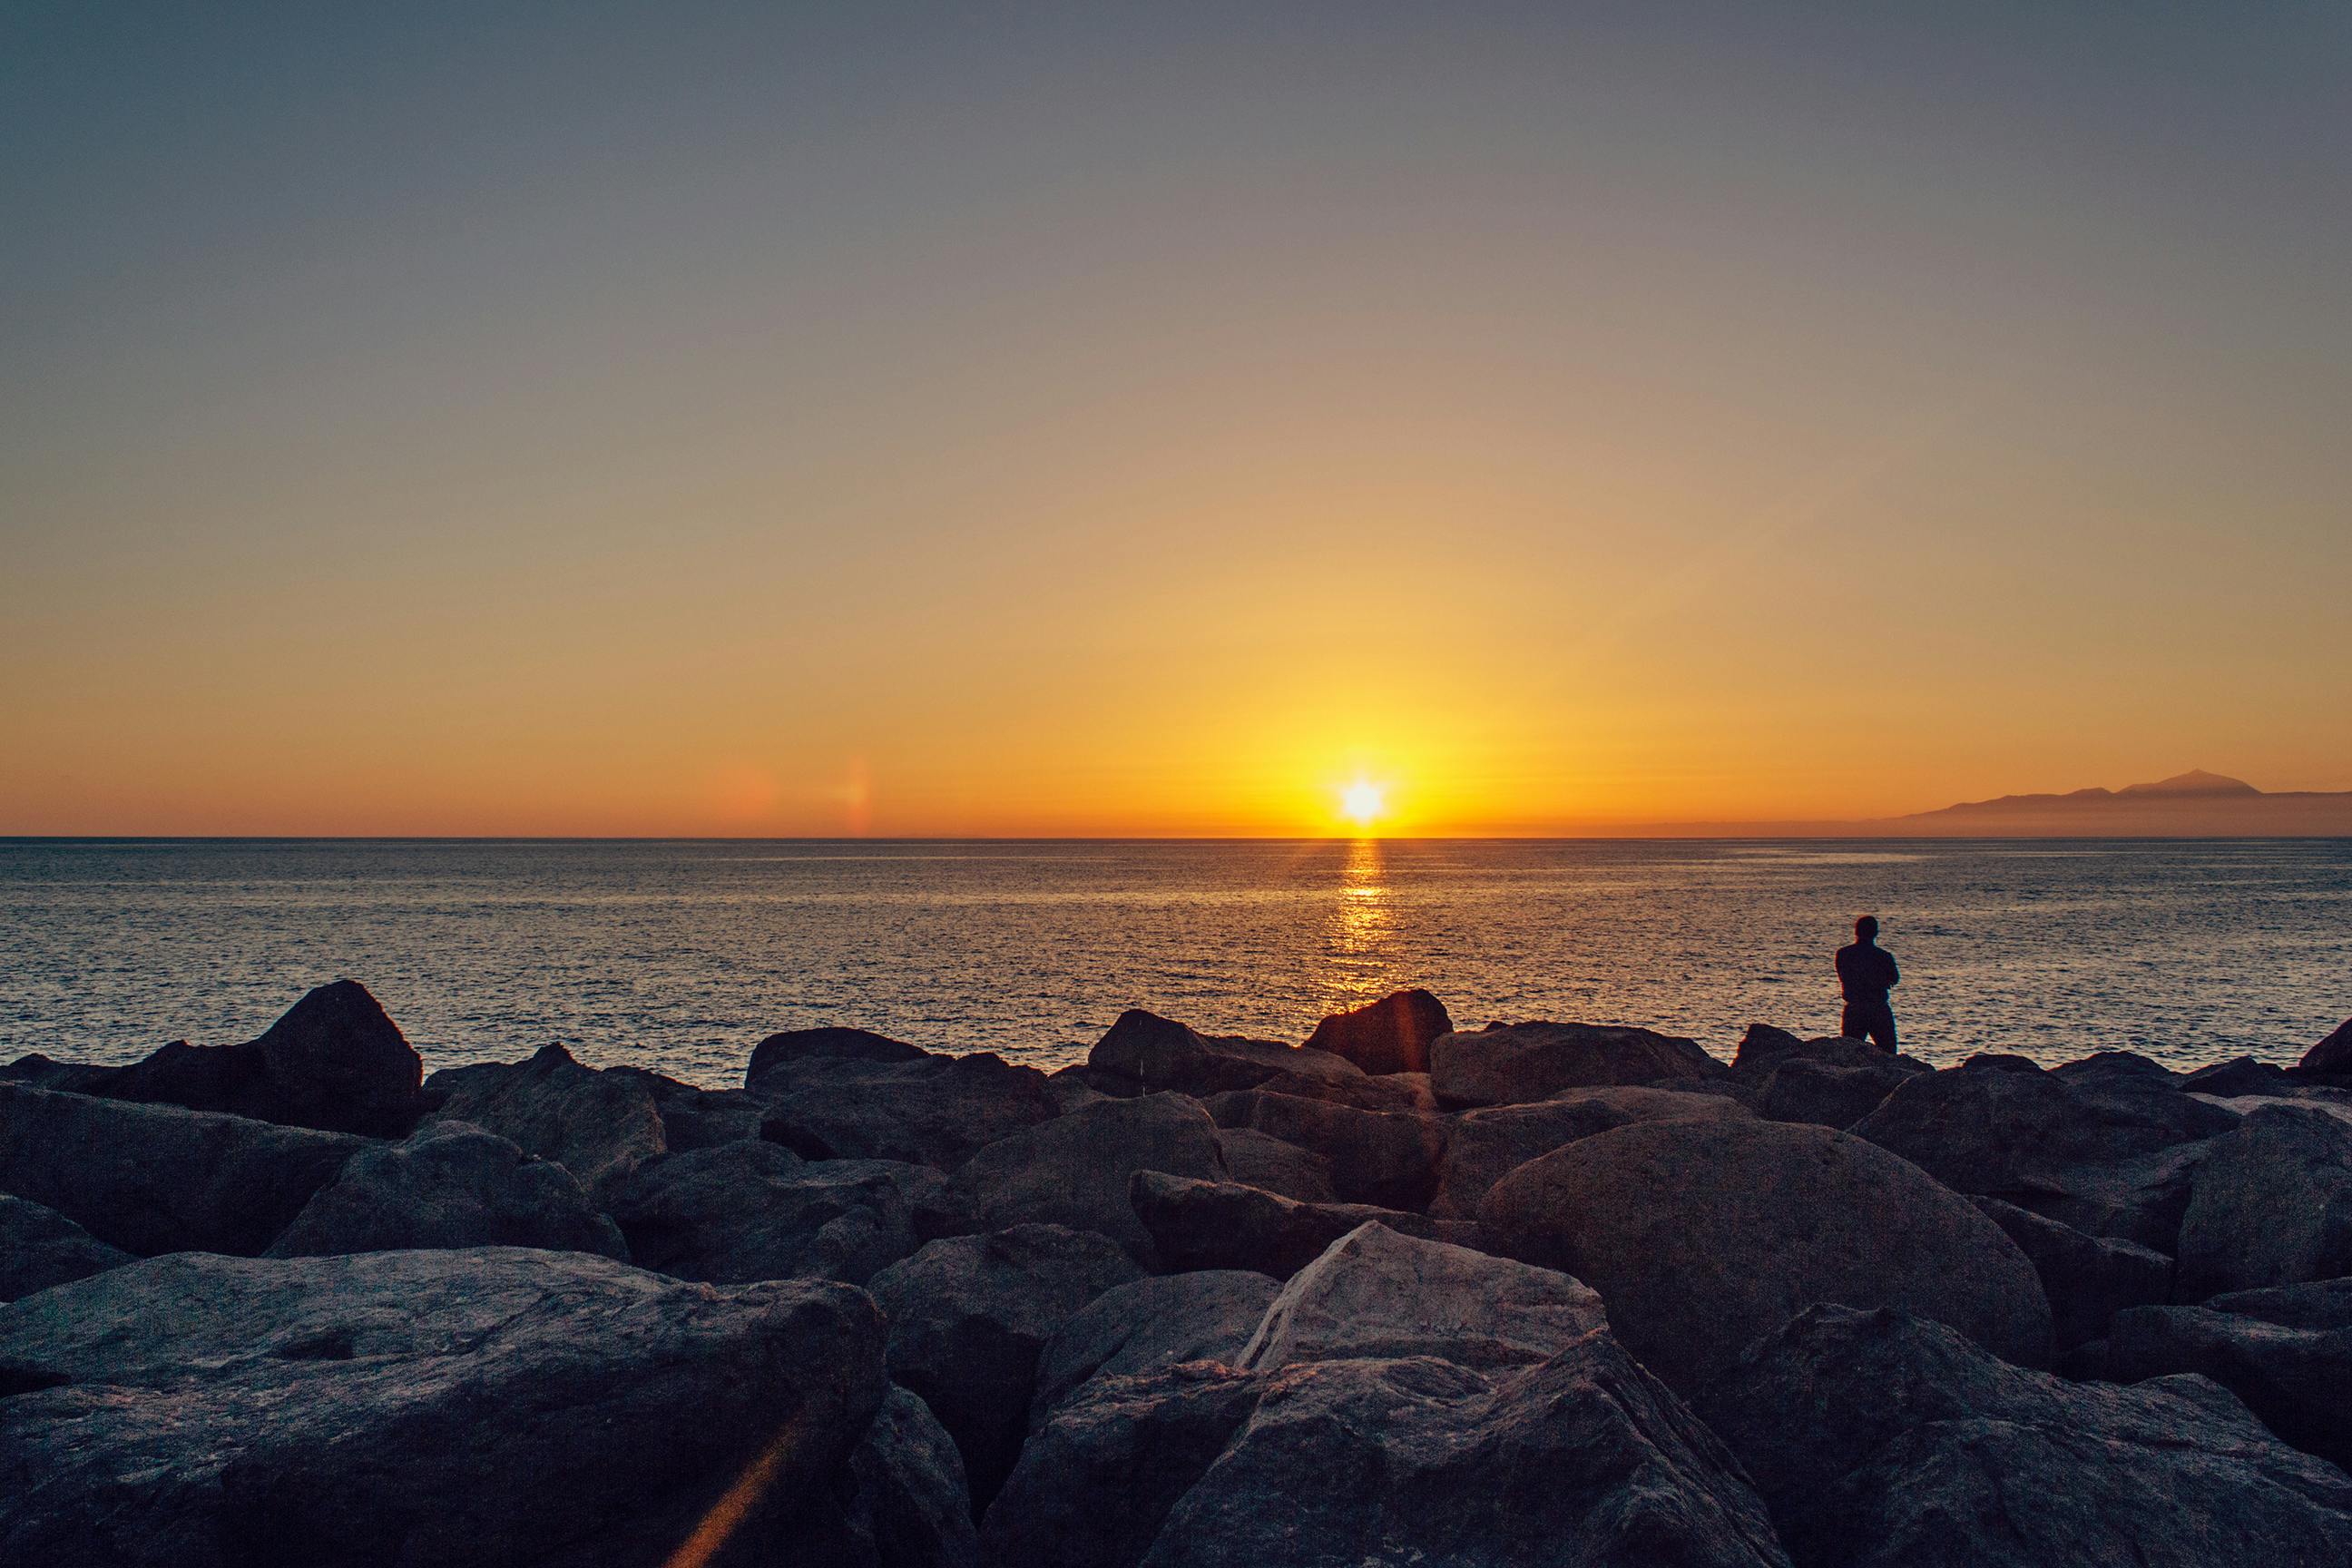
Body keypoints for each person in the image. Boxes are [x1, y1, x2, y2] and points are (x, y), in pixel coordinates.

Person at [1835, 915, 1899, 1051]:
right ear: (1875, 933)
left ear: (1856, 932)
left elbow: (1842, 976)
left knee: (1849, 1053)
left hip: (1854, 1008)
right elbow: (1894, 979)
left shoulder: (1843, 954)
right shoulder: (1884, 956)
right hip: (1878, 1008)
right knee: (1889, 1052)